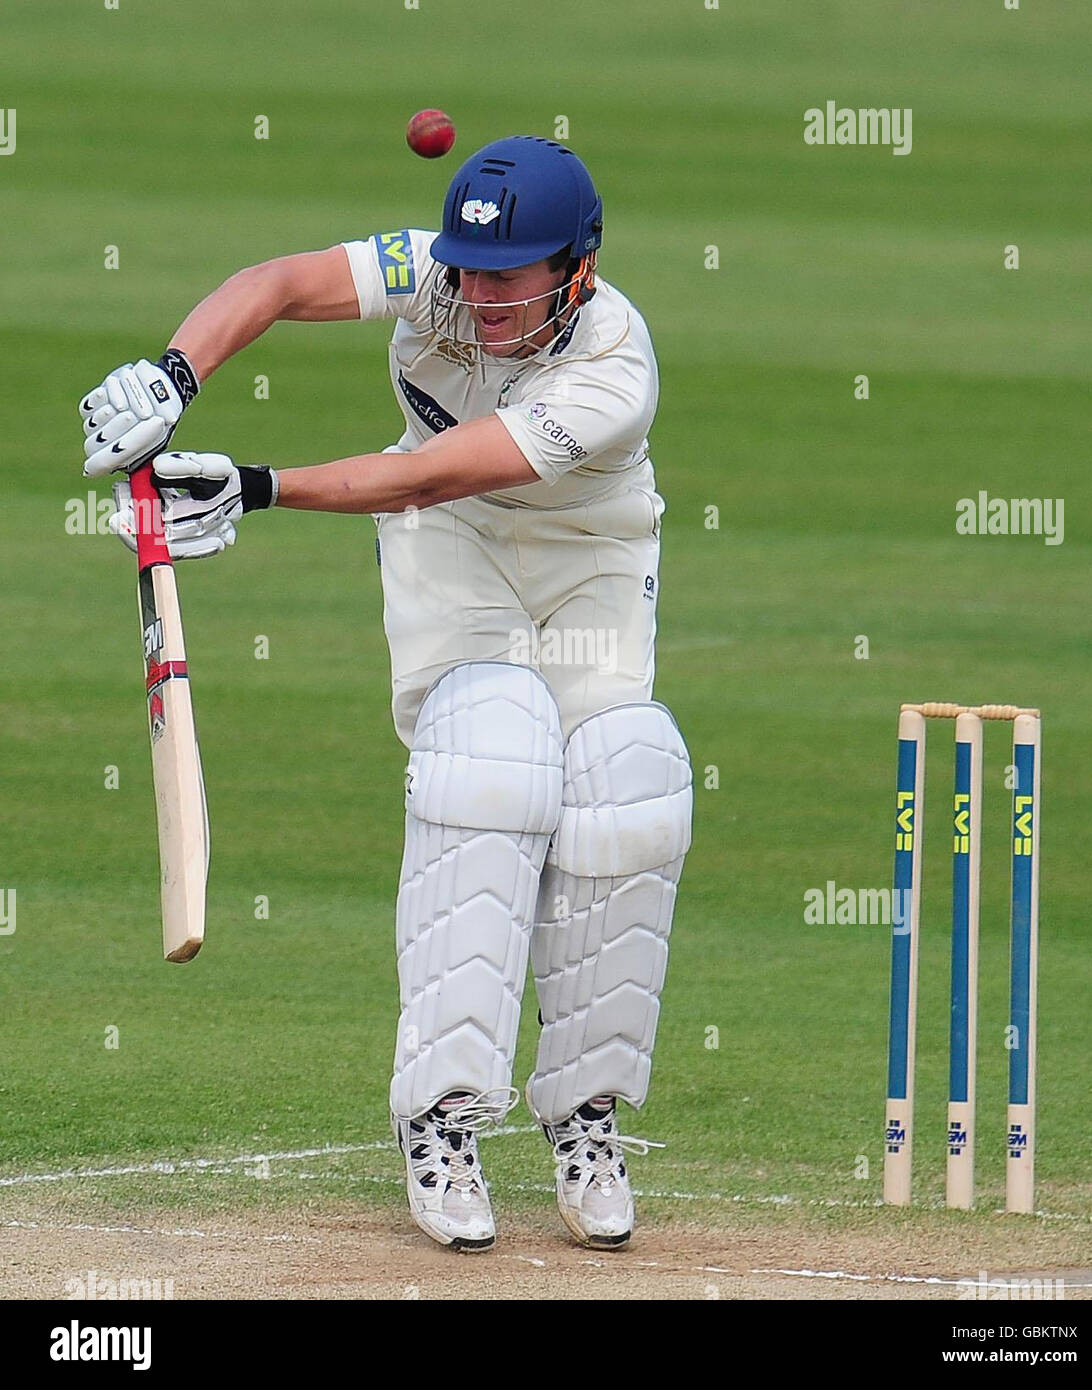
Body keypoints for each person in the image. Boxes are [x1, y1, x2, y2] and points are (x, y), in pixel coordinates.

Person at [80, 136, 693, 1253]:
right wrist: (169, 376)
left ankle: (586, 1117)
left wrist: (254, 486)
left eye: (514, 275)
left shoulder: (615, 364)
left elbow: (432, 466)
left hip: (586, 564)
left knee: (631, 780)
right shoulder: (438, 275)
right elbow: (273, 285)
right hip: (450, 554)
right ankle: (443, 1119)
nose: (484, 295)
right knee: (489, 756)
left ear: (580, 266)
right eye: (470, 269)